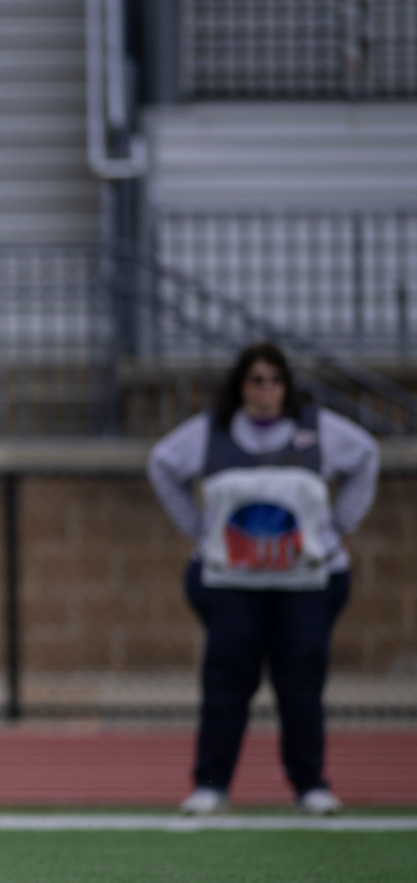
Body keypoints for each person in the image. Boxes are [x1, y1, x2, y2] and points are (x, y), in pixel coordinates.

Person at [147, 342, 378, 816]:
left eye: (276, 380)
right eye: (257, 380)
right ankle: (211, 785)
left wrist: (340, 526)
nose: (267, 389)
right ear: (241, 386)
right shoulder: (210, 433)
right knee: (226, 685)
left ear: (287, 386)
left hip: (305, 585)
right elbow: (162, 464)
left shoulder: (318, 431)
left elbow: (366, 457)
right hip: (232, 585)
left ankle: (310, 785)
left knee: (301, 685)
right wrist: (196, 529)